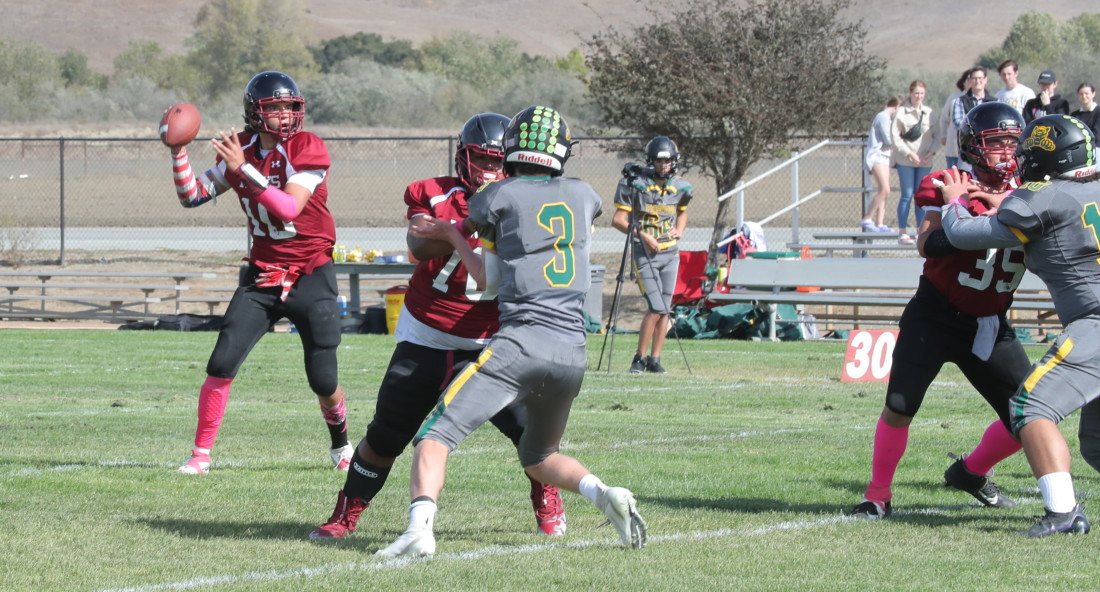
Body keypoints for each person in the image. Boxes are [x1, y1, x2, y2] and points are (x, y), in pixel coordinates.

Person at [375, 106, 646, 558]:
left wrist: (452, 234)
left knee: (434, 437)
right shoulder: (584, 194)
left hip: (521, 343)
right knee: (538, 457)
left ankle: (419, 529)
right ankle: (604, 493)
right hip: (572, 351)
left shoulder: (496, 196)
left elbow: (486, 280)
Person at [308, 113, 566, 539]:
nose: (489, 169)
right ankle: (346, 512)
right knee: (387, 433)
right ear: (463, 157)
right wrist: (460, 226)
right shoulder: (434, 192)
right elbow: (417, 246)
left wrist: (456, 231)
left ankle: (546, 496)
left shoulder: (526, 200)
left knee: (530, 431)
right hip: (428, 335)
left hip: (494, 342)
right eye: (482, 158)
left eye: (497, 160)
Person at [849, 102, 1029, 519]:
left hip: (989, 324)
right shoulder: (947, 182)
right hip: (935, 314)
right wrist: (958, 206)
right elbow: (928, 244)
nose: (1007, 151)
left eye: (1012, 143)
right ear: (974, 146)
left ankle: (970, 472)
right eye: (997, 143)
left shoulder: (1033, 192)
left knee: (1030, 415)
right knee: (900, 404)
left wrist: (997, 202)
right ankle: (877, 495)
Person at [167, 71, 352, 474]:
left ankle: (341, 444)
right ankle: (200, 456)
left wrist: (243, 169)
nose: (285, 115)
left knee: (323, 380)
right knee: (221, 362)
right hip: (263, 275)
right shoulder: (242, 149)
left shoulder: (307, 147)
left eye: (290, 106)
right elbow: (192, 196)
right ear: (255, 113)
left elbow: (288, 208)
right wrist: (178, 152)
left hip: (310, 273)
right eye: (275, 107)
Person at [939, 113, 1100, 537]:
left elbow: (963, 234)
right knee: (1096, 442)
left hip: (1095, 325)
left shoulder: (1041, 197)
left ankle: (1063, 514)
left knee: (1030, 407)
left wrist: (953, 201)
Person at [611, 136, 694, 374]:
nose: (663, 165)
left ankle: (655, 359)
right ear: (650, 161)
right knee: (656, 307)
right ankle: (639, 358)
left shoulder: (682, 187)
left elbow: (682, 211)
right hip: (645, 254)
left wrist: (679, 230)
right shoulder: (635, 184)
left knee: (665, 309)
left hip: (671, 254)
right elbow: (618, 220)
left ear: (674, 161)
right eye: (658, 161)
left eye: (667, 161)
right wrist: (644, 236)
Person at [891, 80, 937, 245]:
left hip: (925, 161)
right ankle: (902, 232)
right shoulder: (901, 112)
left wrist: (931, 152)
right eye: (916, 93)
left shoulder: (930, 113)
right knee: (907, 195)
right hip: (905, 160)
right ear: (910, 93)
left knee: (921, 196)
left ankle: (920, 231)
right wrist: (909, 153)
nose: (919, 96)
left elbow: (937, 135)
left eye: (922, 93)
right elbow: (895, 137)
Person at [862, 96, 902, 232]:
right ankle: (867, 218)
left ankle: (880, 223)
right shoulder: (883, 117)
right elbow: (888, 140)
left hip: (885, 157)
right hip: (877, 156)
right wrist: (902, 137)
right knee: (884, 189)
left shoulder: (888, 118)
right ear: (896, 107)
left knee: (885, 191)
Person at [939, 69, 973, 170]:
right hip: (953, 146)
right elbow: (944, 118)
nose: (971, 81)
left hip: (972, 149)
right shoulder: (954, 98)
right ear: (963, 81)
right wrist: (943, 135)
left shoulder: (980, 99)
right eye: (968, 79)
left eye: (973, 79)